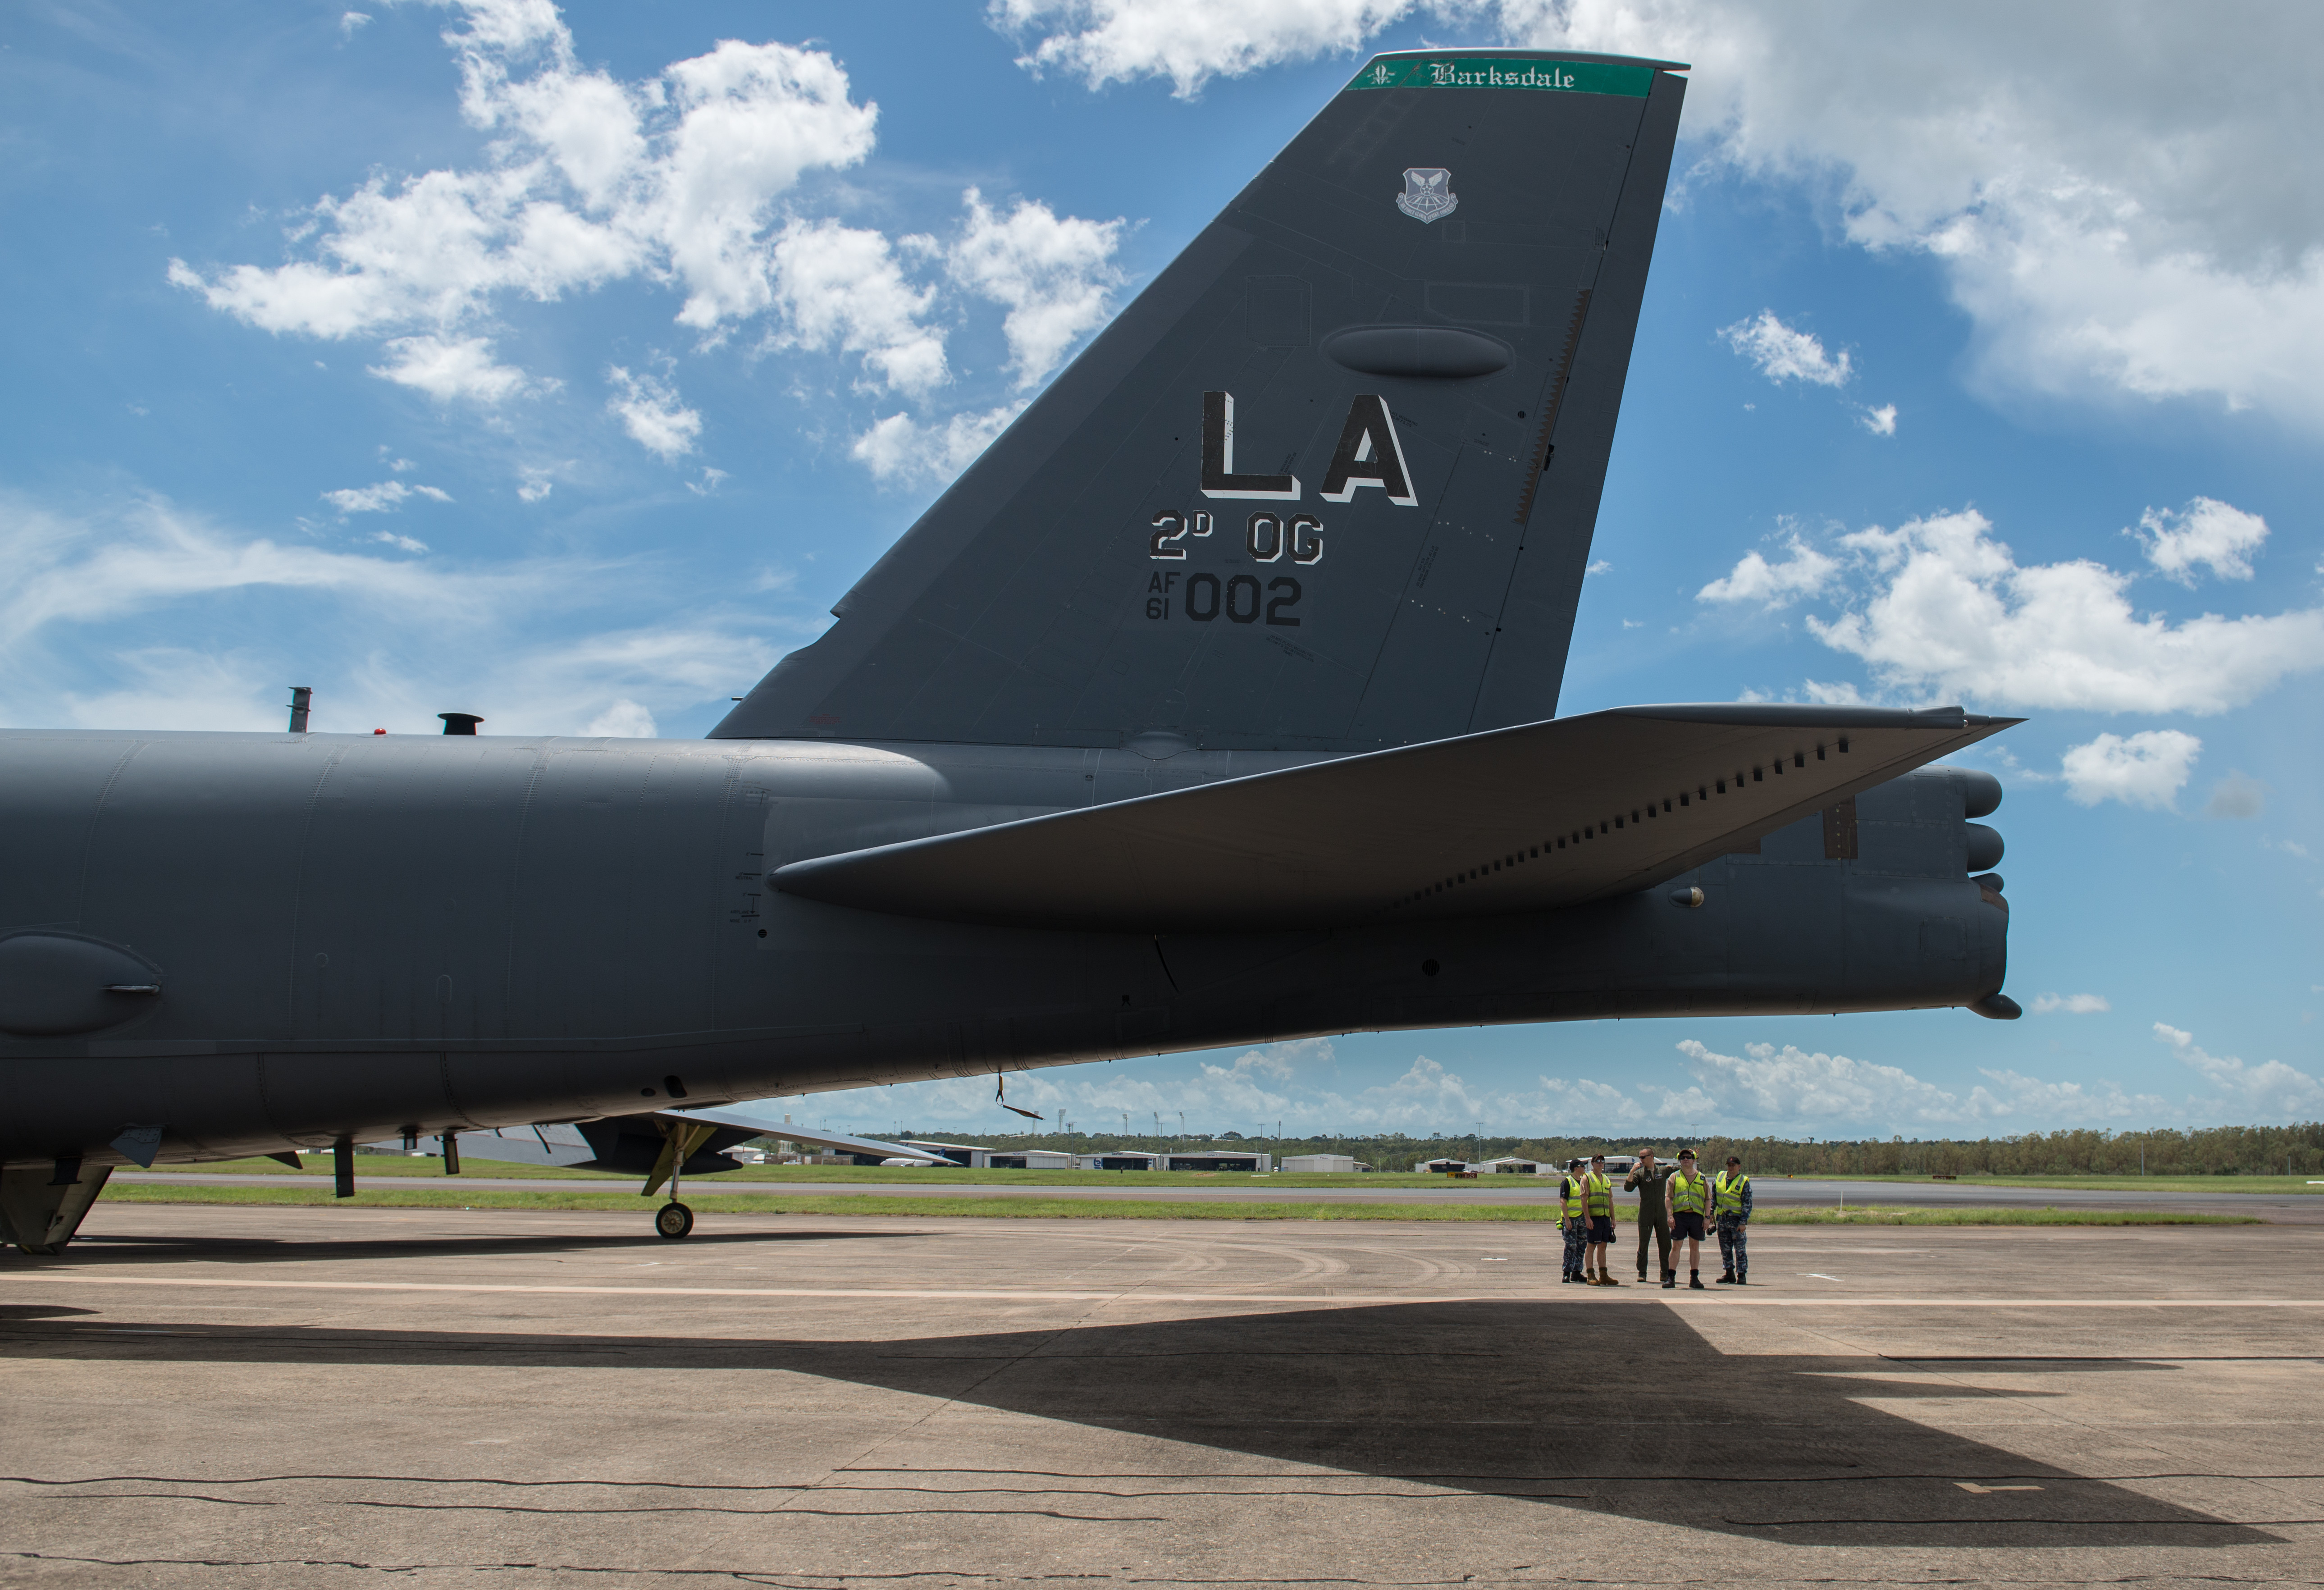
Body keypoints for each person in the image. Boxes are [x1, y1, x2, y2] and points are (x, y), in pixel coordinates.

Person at [1623, 1146, 1674, 1286]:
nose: (1641, 1160)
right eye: (1640, 1157)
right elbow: (1628, 1188)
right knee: (1644, 1244)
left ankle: (1665, 1273)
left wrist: (1694, 1157)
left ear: (1652, 1157)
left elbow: (1681, 1169)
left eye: (1643, 1157)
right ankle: (1642, 1273)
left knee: (1665, 1244)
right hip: (1646, 1213)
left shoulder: (1663, 1171)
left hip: (1661, 1213)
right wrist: (1632, 1171)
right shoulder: (1640, 1174)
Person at [1666, 1148, 1711, 1288]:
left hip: (1696, 1217)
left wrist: (1707, 1218)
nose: (1686, 1160)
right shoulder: (1674, 1177)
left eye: (1689, 1157)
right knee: (1676, 1247)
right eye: (1683, 1158)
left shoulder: (1702, 1178)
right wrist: (1670, 1216)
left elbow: (1708, 1199)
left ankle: (1694, 1278)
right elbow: (1668, 1198)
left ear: (1694, 1160)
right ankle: (1671, 1278)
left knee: (1695, 1247)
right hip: (1679, 1217)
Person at [1714, 1154, 1753, 1284]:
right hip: (1722, 1219)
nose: (1731, 1168)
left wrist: (1743, 1222)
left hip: (1736, 1221)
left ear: (1739, 1167)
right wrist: (1710, 1214)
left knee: (1740, 1249)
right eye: (1729, 1165)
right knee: (1725, 1248)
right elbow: (1713, 1197)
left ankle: (1741, 1274)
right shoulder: (1720, 1177)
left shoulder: (1743, 1181)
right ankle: (1729, 1273)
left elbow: (1747, 1203)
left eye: (1733, 1166)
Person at [1584, 1153, 1619, 1284]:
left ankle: (1603, 1275)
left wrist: (1613, 1218)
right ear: (1592, 1164)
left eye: (1602, 1161)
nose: (1600, 1163)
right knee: (1591, 1246)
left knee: (1603, 1246)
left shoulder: (1606, 1179)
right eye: (1597, 1161)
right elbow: (1584, 1199)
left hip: (1605, 1218)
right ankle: (1590, 1275)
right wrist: (1587, 1218)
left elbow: (1610, 1200)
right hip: (1594, 1218)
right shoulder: (1587, 1178)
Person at [1556, 1157, 1589, 1283]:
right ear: (1576, 1169)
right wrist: (1567, 1220)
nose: (1584, 1168)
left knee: (1582, 1246)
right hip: (1571, 1219)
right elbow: (1563, 1202)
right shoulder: (1567, 1182)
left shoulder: (1584, 1181)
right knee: (1571, 1246)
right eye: (1582, 1166)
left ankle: (1577, 1272)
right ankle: (1566, 1273)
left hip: (1582, 1218)